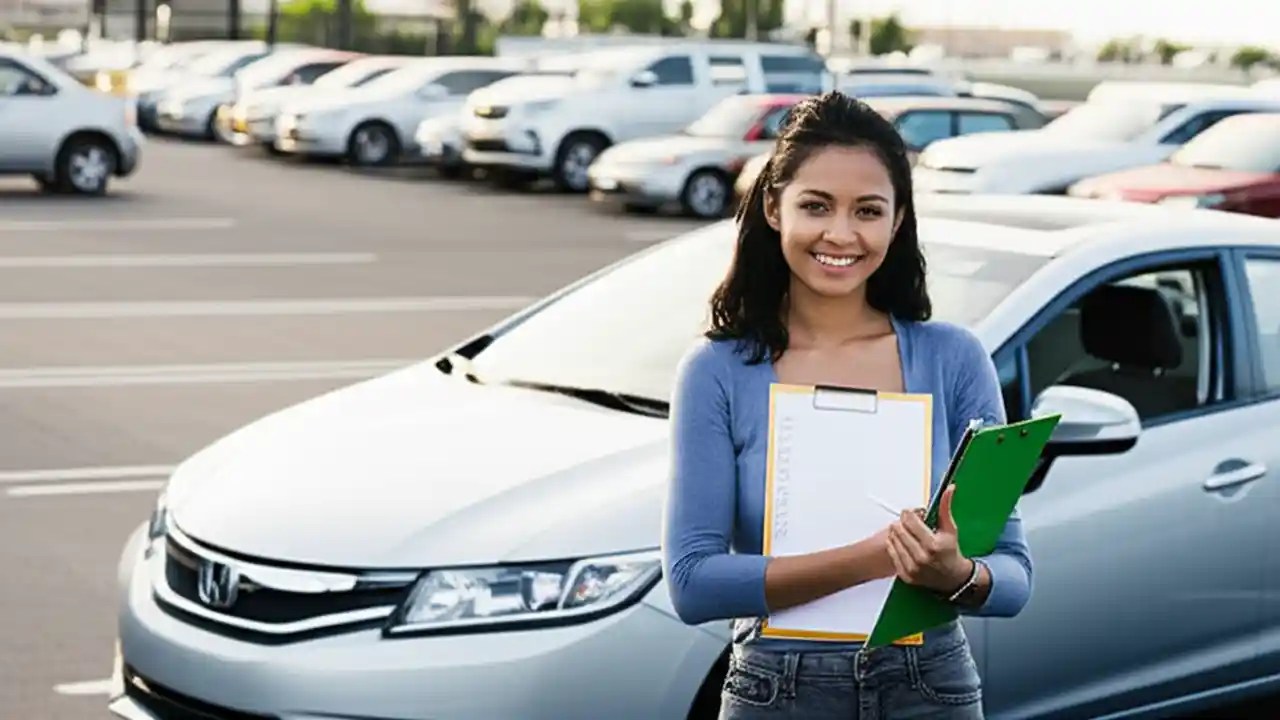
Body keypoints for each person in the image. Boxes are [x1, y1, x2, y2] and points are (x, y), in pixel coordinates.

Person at [661, 91, 1032, 719]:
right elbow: (693, 583)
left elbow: (1014, 578)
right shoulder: (717, 371)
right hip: (775, 689)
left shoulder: (953, 359)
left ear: (897, 218)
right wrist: (878, 557)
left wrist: (957, 574)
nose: (841, 233)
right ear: (775, 208)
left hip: (930, 683)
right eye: (816, 206)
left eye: (867, 210)